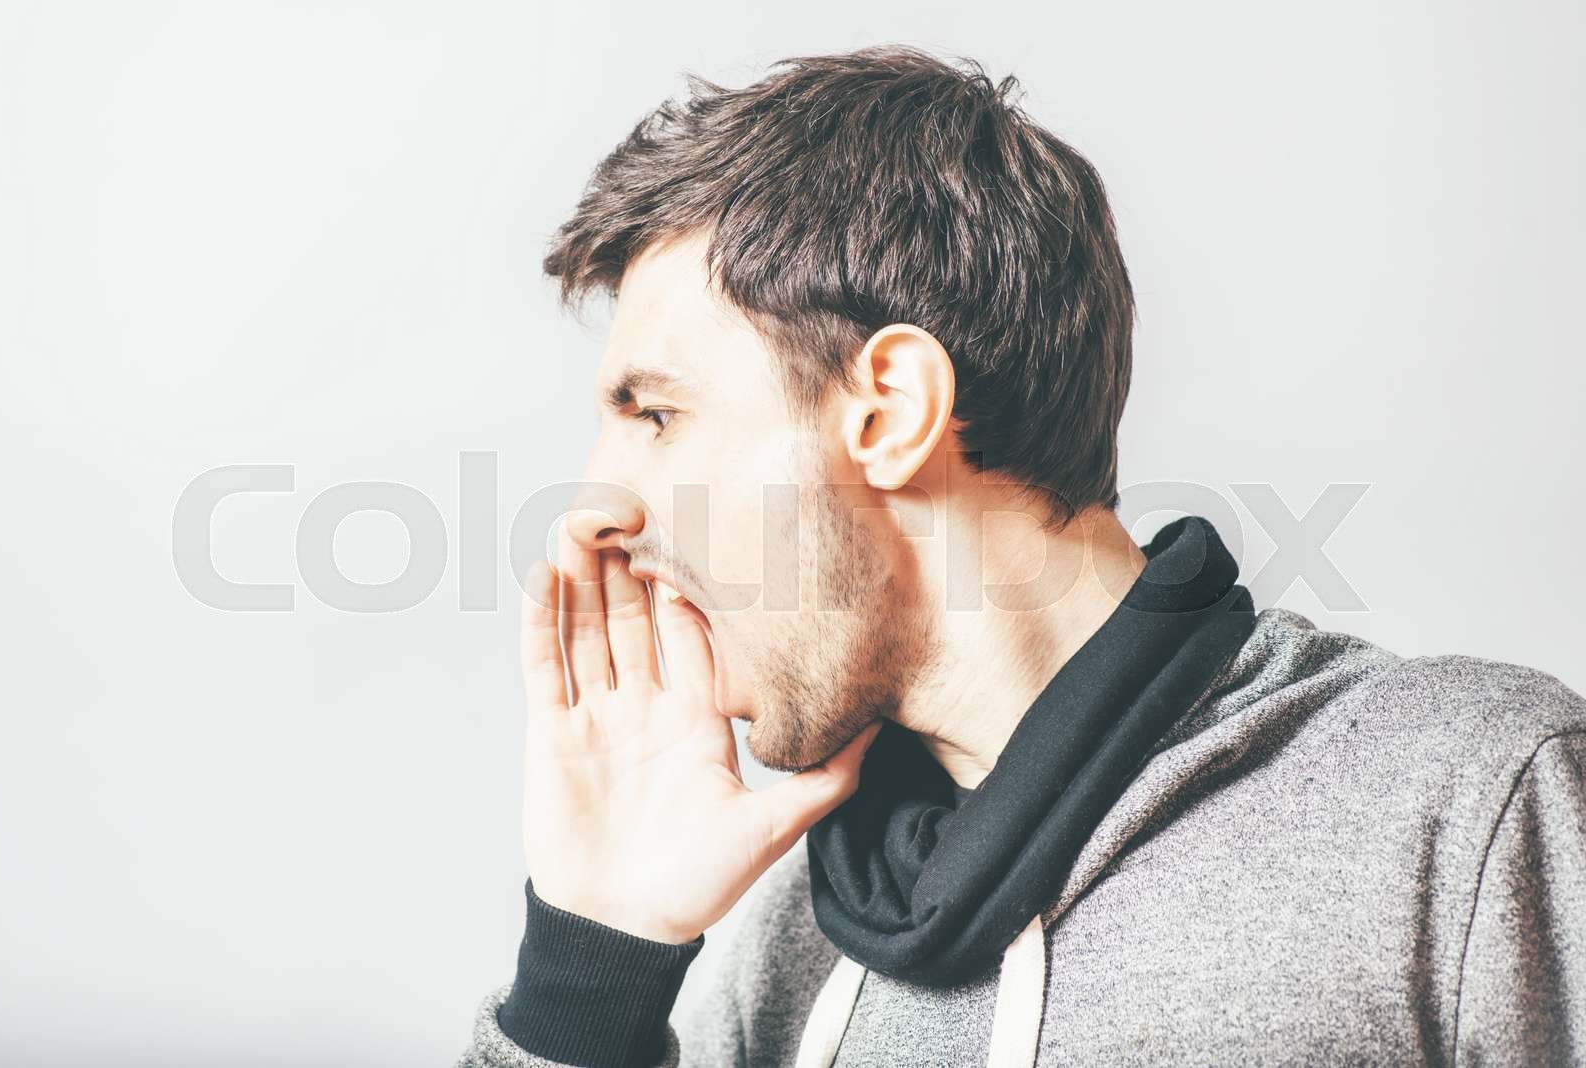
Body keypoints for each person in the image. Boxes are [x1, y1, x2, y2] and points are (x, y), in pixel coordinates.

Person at [455, 45, 1586, 1067]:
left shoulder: (1467, 807)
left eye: (655, 413)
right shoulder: (788, 945)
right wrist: (590, 966)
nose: (595, 508)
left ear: (892, 410)